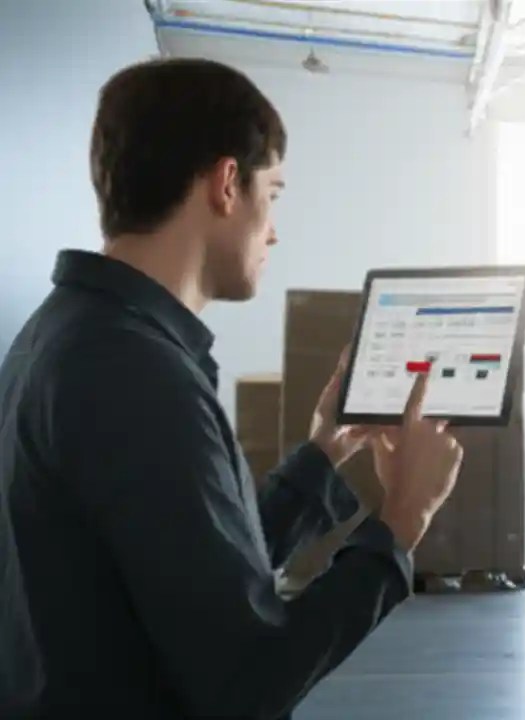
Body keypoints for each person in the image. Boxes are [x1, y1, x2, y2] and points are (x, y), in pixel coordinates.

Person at [0, 57, 464, 718]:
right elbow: (250, 678)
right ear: (226, 184)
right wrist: (403, 519)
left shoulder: (66, 337)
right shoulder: (134, 374)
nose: (273, 228)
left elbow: (196, 575)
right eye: (271, 193)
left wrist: (325, 452)